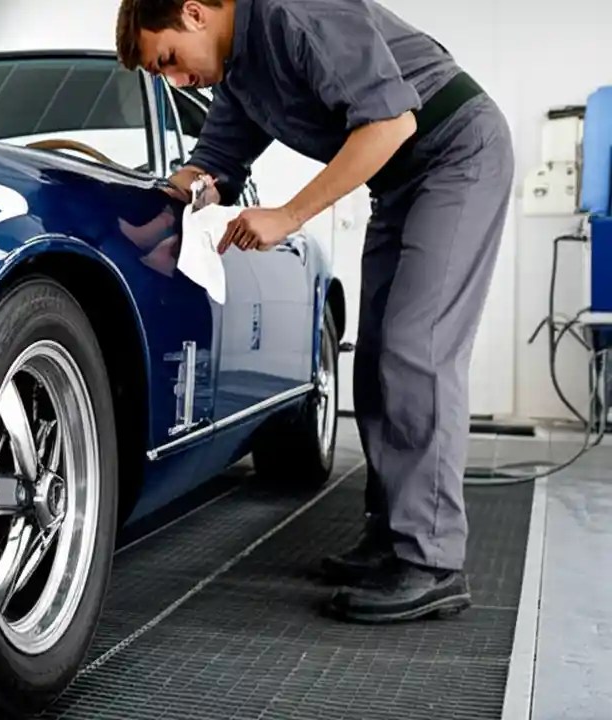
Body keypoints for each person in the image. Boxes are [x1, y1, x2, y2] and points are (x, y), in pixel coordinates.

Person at [115, 0, 514, 624]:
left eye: (166, 60)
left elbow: (390, 124)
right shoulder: (238, 73)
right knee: (379, 358)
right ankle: (394, 539)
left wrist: (287, 215)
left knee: (419, 348)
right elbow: (211, 168)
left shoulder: (294, 12)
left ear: (194, 12)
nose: (175, 79)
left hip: (455, 151)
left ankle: (432, 562)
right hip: (399, 182)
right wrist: (143, 211)